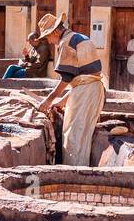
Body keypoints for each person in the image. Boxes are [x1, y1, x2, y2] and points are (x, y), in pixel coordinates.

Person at [35, 12, 105, 165]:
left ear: (55, 32)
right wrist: (63, 101)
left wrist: (48, 100)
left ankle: (74, 174)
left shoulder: (66, 42)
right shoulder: (78, 37)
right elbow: (81, 77)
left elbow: (66, 78)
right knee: (82, 136)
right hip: (92, 89)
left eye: (47, 37)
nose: (49, 41)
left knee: (74, 138)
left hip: (86, 93)